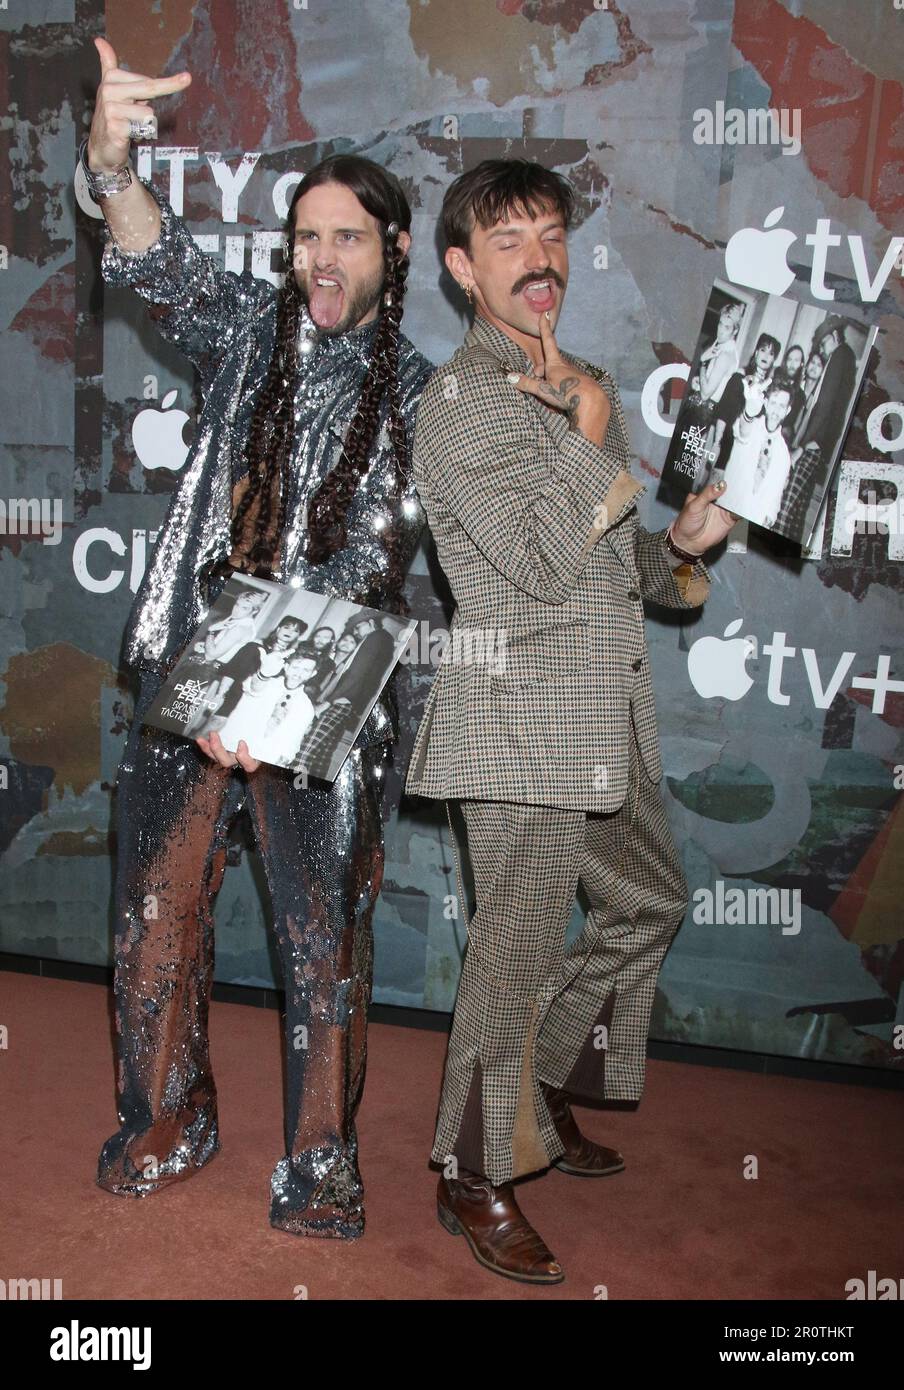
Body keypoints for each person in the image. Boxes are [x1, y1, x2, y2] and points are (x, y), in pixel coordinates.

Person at [85, 36, 433, 1238]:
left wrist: (269, 708)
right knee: (150, 917)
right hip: (189, 685)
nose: (319, 257)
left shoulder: (424, 396)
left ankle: (322, 1164)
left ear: (392, 250)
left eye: (346, 235)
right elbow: (154, 258)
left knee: (318, 945)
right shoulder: (245, 332)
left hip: (327, 718)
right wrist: (112, 160)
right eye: (304, 237)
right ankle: (168, 1117)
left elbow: (375, 564)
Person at [404, 158, 737, 1284]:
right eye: (508, 241)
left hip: (603, 716)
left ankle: (537, 1090)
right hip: (518, 724)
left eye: (550, 235)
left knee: (647, 902)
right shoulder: (458, 403)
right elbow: (544, 562)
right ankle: (471, 1171)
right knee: (508, 955)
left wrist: (678, 553)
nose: (539, 258)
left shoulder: (569, 379)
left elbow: (602, 561)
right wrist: (595, 422)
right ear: (460, 268)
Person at [720, 379, 794, 528]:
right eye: (773, 403)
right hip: (727, 507)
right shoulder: (752, 425)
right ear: (765, 403)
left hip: (752, 520)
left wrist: (769, 517)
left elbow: (776, 495)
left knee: (735, 550)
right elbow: (742, 432)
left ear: (788, 411)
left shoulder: (784, 455)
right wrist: (748, 413)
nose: (776, 410)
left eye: (781, 406)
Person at [707, 332, 780, 479]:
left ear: (773, 360)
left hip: (750, 457)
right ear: (756, 352)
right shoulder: (739, 378)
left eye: (771, 353)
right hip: (729, 447)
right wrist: (716, 442)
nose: (766, 355)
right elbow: (724, 412)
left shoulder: (771, 390)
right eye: (763, 350)